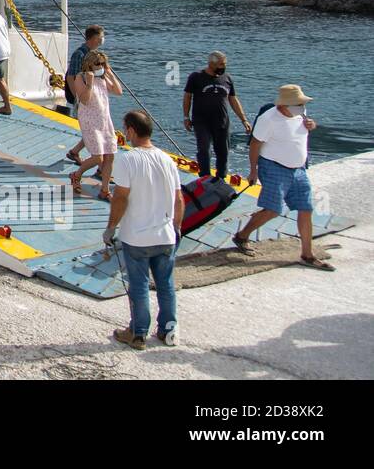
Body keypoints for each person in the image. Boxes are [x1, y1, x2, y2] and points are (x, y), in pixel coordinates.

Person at [232, 85, 334, 270]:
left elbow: (302, 130)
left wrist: (312, 125)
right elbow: (255, 144)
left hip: (298, 169)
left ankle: (307, 254)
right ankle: (242, 235)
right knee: (273, 209)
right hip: (273, 167)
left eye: (303, 103)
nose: (302, 106)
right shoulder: (268, 119)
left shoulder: (300, 113)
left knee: (306, 208)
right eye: (299, 103)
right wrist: (253, 171)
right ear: (284, 104)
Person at [105, 110, 183, 350]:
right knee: (166, 285)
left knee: (138, 286)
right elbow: (179, 199)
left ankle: (138, 333)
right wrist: (176, 228)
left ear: (130, 131)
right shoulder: (167, 160)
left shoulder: (127, 160)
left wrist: (110, 228)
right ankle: (168, 330)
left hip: (137, 237)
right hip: (165, 234)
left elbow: (120, 198)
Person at [183, 50, 251, 180]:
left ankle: (221, 178)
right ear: (211, 64)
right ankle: (205, 177)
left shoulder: (227, 78)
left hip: (222, 121)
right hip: (201, 121)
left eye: (224, 64)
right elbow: (187, 97)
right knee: (204, 149)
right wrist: (186, 117)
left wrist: (244, 120)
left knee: (223, 151)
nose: (223, 67)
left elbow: (233, 99)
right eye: (221, 64)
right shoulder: (196, 77)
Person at [69, 50, 122, 200]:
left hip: (104, 119)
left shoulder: (103, 78)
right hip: (89, 121)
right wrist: (90, 83)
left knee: (110, 155)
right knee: (98, 157)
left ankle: (104, 190)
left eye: (103, 64)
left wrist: (110, 73)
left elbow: (119, 91)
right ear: (89, 64)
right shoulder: (81, 77)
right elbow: (85, 100)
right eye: (98, 63)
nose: (100, 66)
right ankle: (76, 175)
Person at [64, 25, 105, 163]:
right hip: (82, 98)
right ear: (93, 38)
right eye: (100, 38)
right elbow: (71, 77)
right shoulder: (79, 54)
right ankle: (98, 165)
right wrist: (78, 99)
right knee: (93, 128)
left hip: (90, 97)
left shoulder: (94, 55)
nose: (102, 41)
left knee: (92, 128)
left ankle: (74, 152)